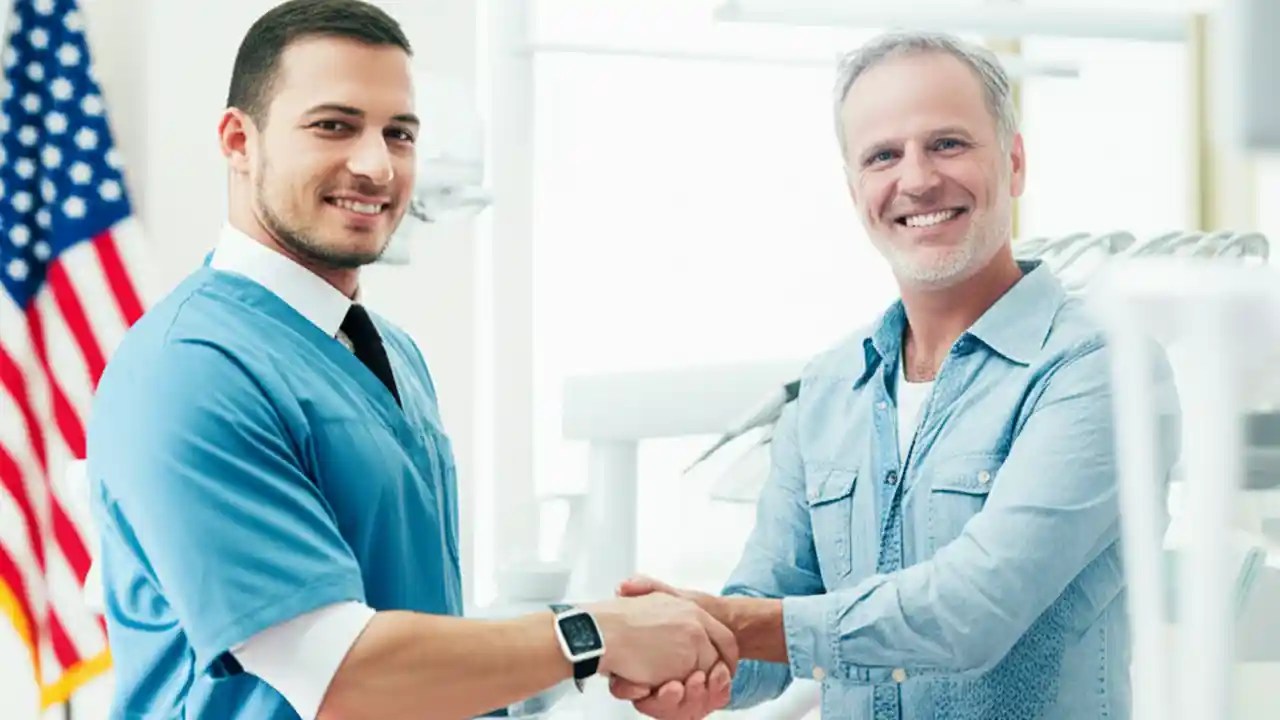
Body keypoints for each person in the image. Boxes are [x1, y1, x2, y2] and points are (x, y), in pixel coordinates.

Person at [86, 1, 735, 718]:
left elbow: (416, 626)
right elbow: (341, 674)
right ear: (239, 140)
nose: (375, 164)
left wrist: (629, 650)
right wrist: (594, 636)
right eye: (334, 125)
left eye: (399, 134)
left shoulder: (391, 352)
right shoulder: (190, 369)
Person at [609, 31, 1182, 720]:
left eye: (947, 144)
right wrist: (699, 672)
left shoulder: (1099, 368)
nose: (915, 180)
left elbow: (973, 608)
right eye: (883, 156)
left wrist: (729, 625)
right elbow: (768, 614)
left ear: (1014, 161)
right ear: (856, 191)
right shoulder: (827, 390)